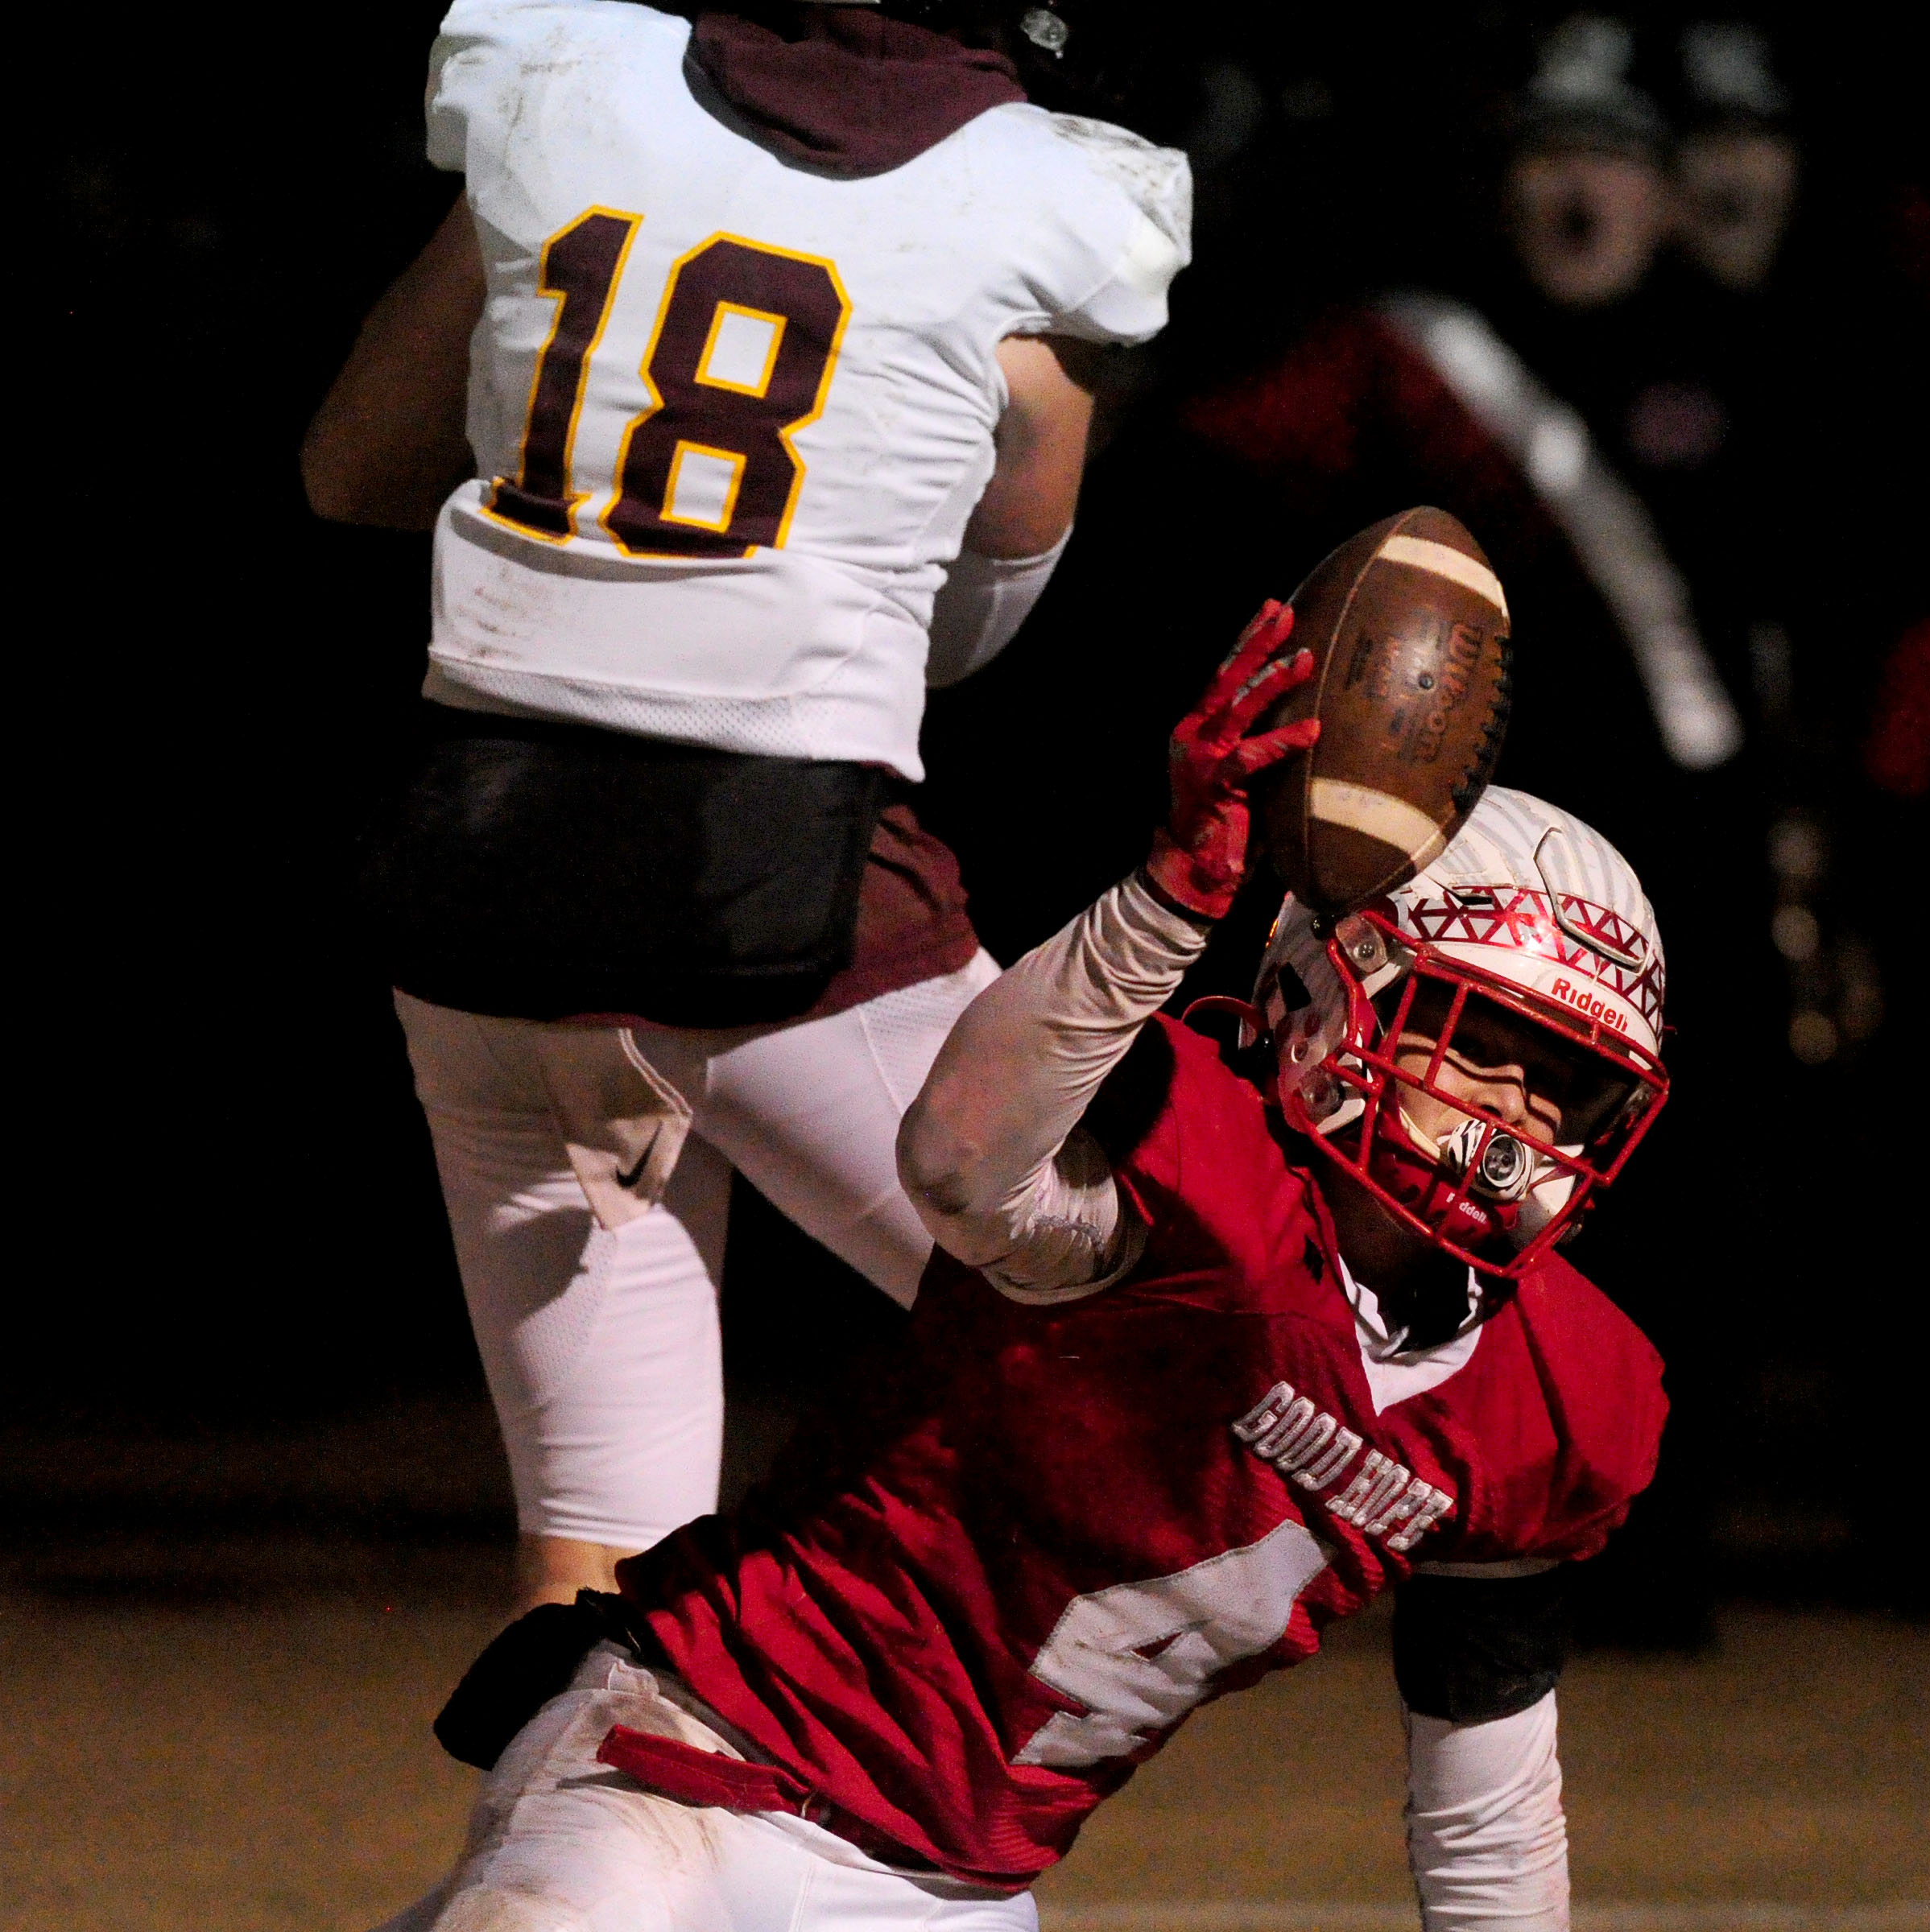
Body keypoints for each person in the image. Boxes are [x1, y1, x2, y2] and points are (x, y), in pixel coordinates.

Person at [372, 604, 1672, 1932]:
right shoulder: (1198, 1176)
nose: (1512, 1113)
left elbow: (1488, 1813)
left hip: (956, 1894)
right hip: (691, 1763)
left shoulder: (1564, 1397)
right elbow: (955, 1162)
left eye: (1567, 1088)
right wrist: (1167, 899)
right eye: (1476, 1042)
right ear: (1320, 1008)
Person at [299, 0, 1190, 1610]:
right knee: (1181, 1360)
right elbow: (959, 644)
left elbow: (348, 469)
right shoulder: (1036, 194)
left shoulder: (569, 83)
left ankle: (570, 1855)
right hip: (780, 894)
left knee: (595, 1534)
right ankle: (879, 1823)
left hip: (481, 879)